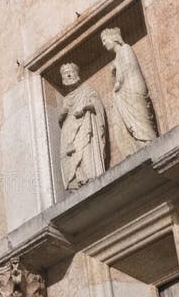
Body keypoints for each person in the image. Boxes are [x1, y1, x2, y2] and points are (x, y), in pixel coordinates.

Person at [100, 26, 157, 158]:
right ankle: (134, 148)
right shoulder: (117, 57)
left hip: (132, 89)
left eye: (105, 40)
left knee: (140, 117)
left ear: (114, 38)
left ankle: (147, 142)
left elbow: (128, 69)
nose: (104, 44)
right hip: (124, 92)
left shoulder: (125, 49)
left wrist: (118, 82)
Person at [58, 62, 107, 190]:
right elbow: (62, 114)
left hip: (84, 124)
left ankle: (91, 176)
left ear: (76, 73)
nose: (68, 75)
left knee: (85, 149)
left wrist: (85, 108)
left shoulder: (87, 90)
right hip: (69, 130)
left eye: (70, 72)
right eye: (64, 73)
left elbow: (96, 104)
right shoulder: (66, 98)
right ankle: (79, 180)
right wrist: (62, 115)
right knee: (72, 155)